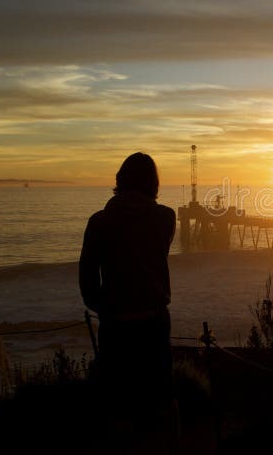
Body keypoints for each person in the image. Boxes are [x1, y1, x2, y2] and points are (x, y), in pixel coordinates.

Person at [79, 152, 176, 428]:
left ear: (119, 180)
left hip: (115, 324)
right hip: (155, 321)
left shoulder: (98, 222)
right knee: (159, 396)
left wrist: (107, 308)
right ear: (154, 183)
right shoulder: (166, 218)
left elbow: (87, 281)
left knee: (117, 400)